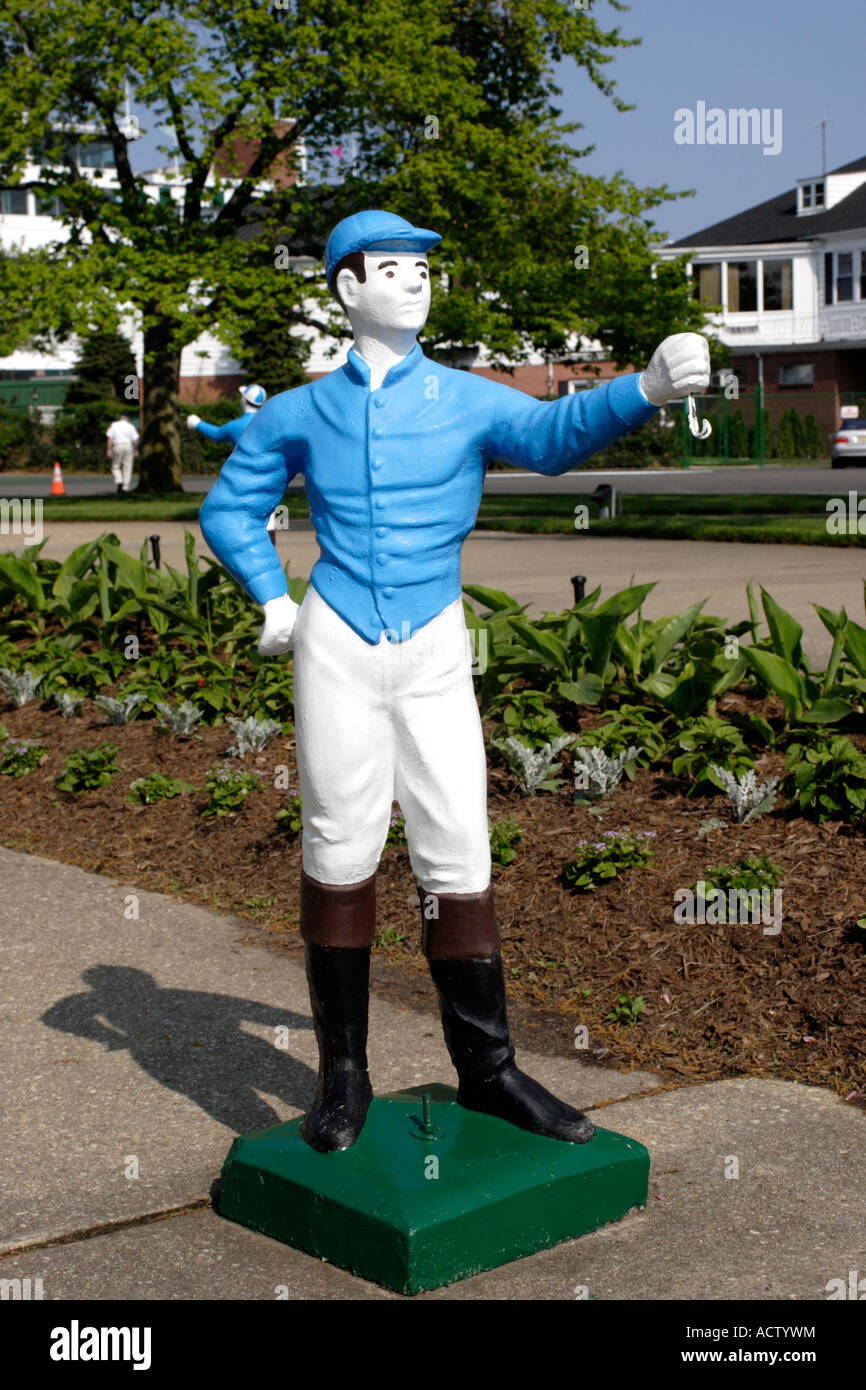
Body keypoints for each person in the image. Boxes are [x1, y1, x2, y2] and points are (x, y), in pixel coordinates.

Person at [199, 209, 711, 1154]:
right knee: (339, 841)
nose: (416, 281)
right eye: (393, 268)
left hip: (434, 638)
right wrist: (273, 598)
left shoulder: (468, 398)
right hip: (337, 641)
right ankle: (343, 1078)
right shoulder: (301, 410)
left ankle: (487, 1070)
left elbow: (552, 433)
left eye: (425, 268)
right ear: (349, 288)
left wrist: (642, 386)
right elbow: (231, 507)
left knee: (457, 840)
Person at [187, 386, 279, 541]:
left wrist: (197, 423)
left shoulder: (236, 425)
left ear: (244, 401)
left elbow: (216, 434)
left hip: (242, 481)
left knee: (240, 522)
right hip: (269, 481)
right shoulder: (271, 425)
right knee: (269, 523)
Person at [105, 412, 139, 494]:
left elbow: (110, 438)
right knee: (128, 467)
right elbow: (135, 439)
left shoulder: (114, 425)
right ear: (128, 418)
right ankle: (125, 487)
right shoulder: (131, 426)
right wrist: (136, 449)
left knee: (115, 466)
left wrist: (108, 449)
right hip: (128, 446)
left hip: (117, 445)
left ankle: (119, 480)